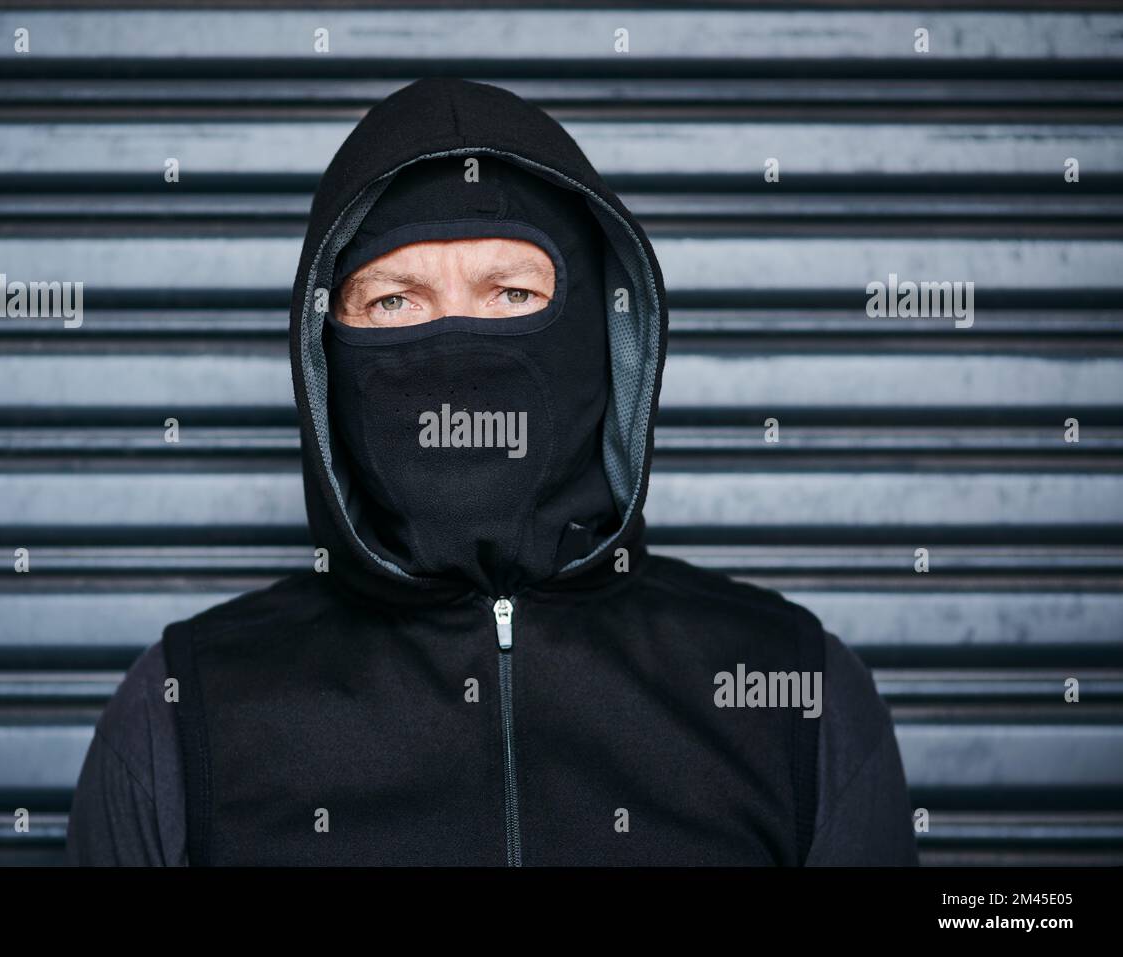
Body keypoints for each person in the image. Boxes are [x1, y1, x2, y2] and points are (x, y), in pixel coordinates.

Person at [66, 77, 918, 866]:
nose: (456, 348)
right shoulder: (183, 717)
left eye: (511, 294)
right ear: (324, 353)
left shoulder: (795, 696)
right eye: (394, 301)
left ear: (599, 330)